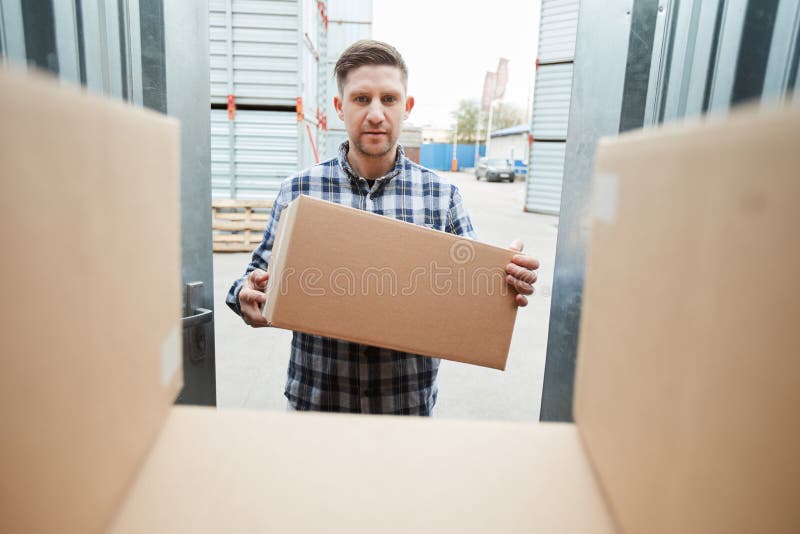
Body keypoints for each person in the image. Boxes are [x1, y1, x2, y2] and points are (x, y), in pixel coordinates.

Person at [226, 40, 539, 415]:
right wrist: (246, 297)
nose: (376, 114)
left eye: (389, 99)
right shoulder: (299, 191)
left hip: (403, 406)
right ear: (340, 108)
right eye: (361, 99)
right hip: (316, 405)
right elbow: (252, 279)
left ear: (406, 108)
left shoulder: (441, 196)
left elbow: (468, 296)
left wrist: (505, 281)